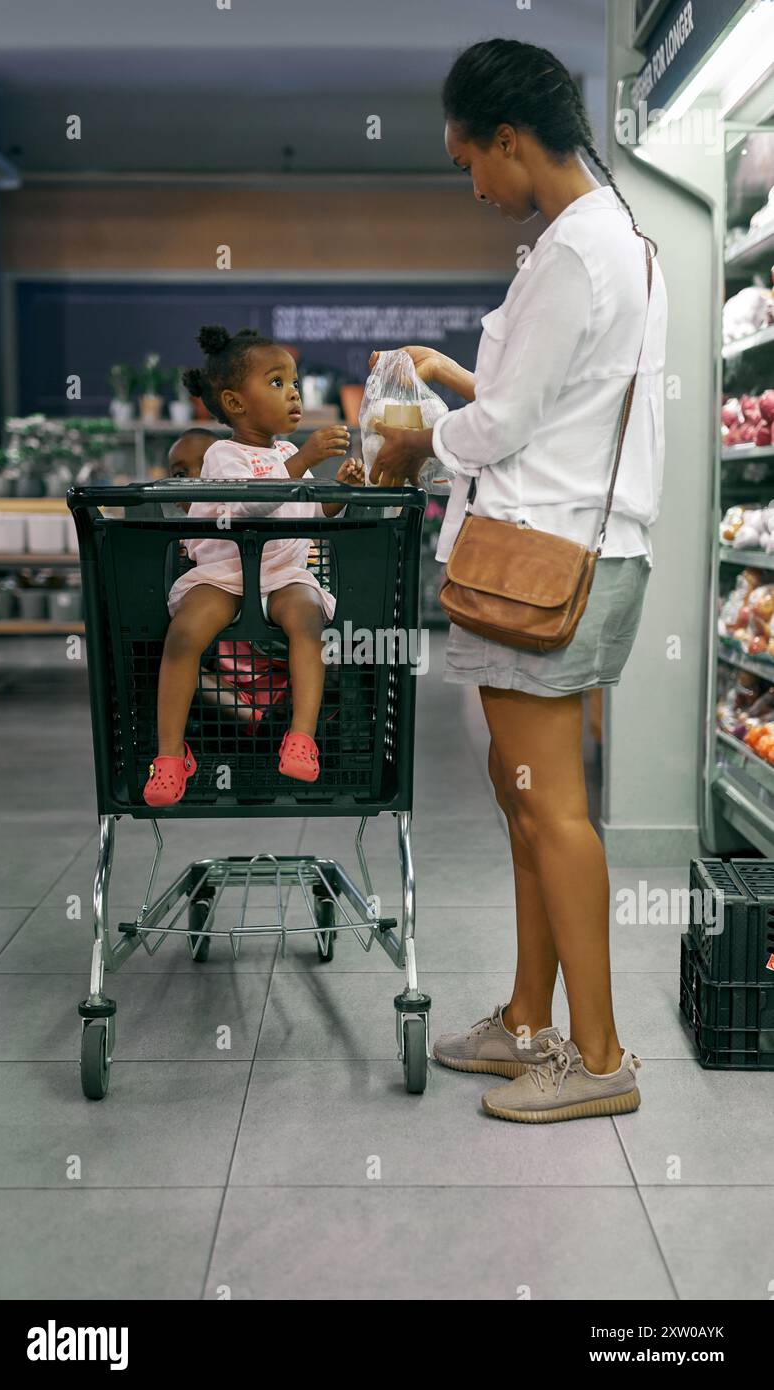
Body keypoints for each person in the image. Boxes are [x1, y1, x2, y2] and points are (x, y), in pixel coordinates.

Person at [368, 39, 667, 1123]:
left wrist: (416, 442)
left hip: (542, 561)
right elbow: (546, 390)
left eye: (466, 165)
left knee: (553, 809)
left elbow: (504, 425)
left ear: (505, 138)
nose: (473, 187)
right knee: (523, 794)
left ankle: (597, 1059)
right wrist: (457, 377)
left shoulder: (576, 251)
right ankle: (526, 1020)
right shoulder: (595, 240)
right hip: (548, 549)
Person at [144, 325, 364, 804]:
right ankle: (168, 755)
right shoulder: (224, 454)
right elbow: (250, 504)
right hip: (223, 574)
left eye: (294, 383)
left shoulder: (287, 453)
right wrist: (304, 459)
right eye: (276, 382)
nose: (292, 393)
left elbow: (310, 510)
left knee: (309, 623)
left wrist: (342, 491)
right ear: (236, 403)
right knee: (184, 634)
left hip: (283, 574)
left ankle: (301, 738)